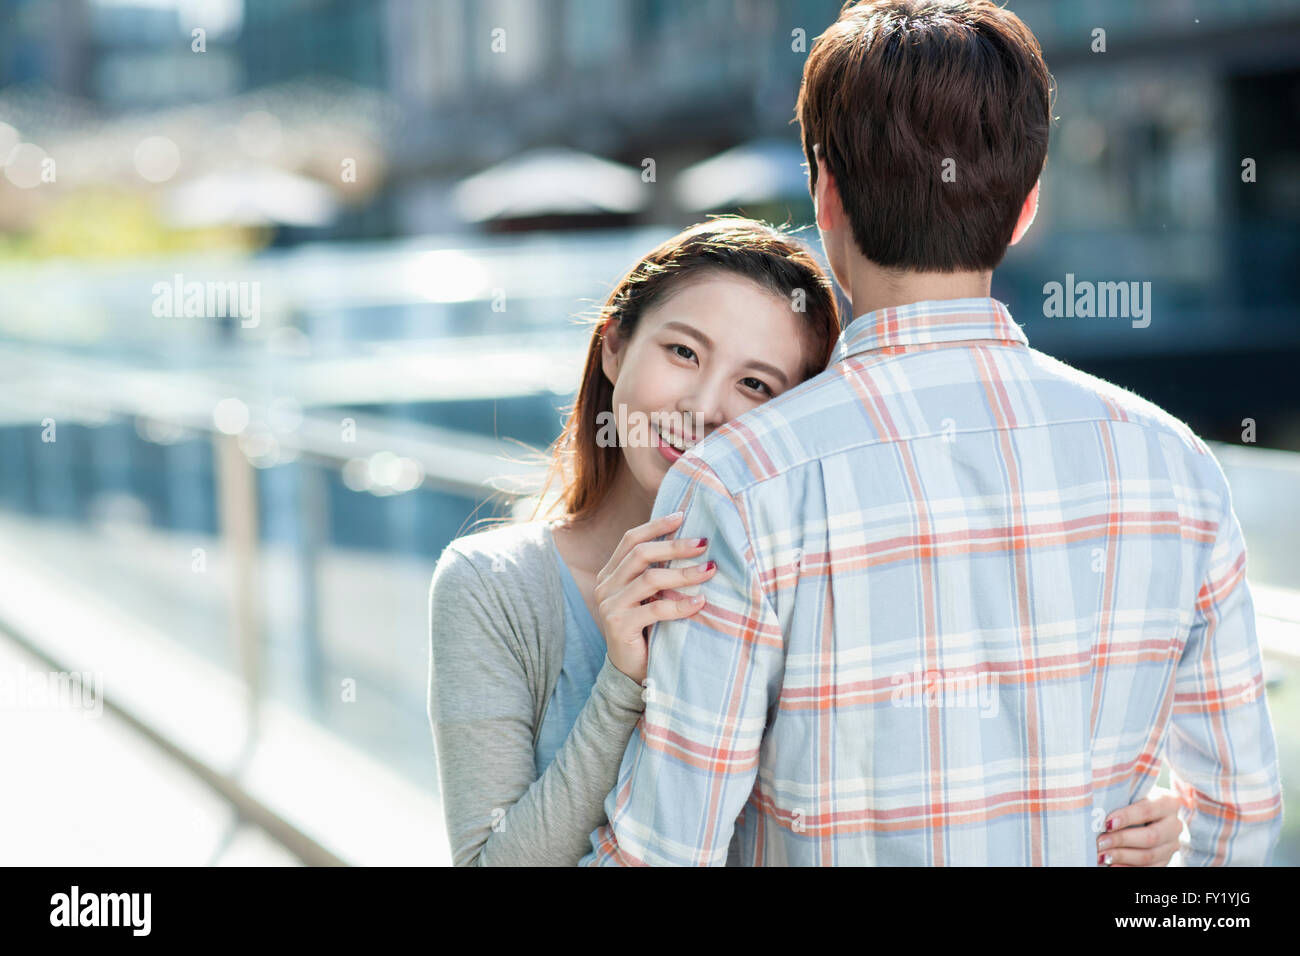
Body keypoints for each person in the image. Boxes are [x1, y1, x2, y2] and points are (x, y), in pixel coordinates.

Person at [579, 0, 1282, 866]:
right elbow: (1237, 830)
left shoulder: (738, 483)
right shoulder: (1174, 466)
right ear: (1026, 210)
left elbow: (661, 853)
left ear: (825, 193)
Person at [428, 217, 1186, 866]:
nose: (704, 406)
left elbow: (939, 762)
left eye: (756, 386)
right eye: (683, 353)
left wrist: (1132, 806)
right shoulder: (494, 587)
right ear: (616, 348)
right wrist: (622, 685)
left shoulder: (817, 573)